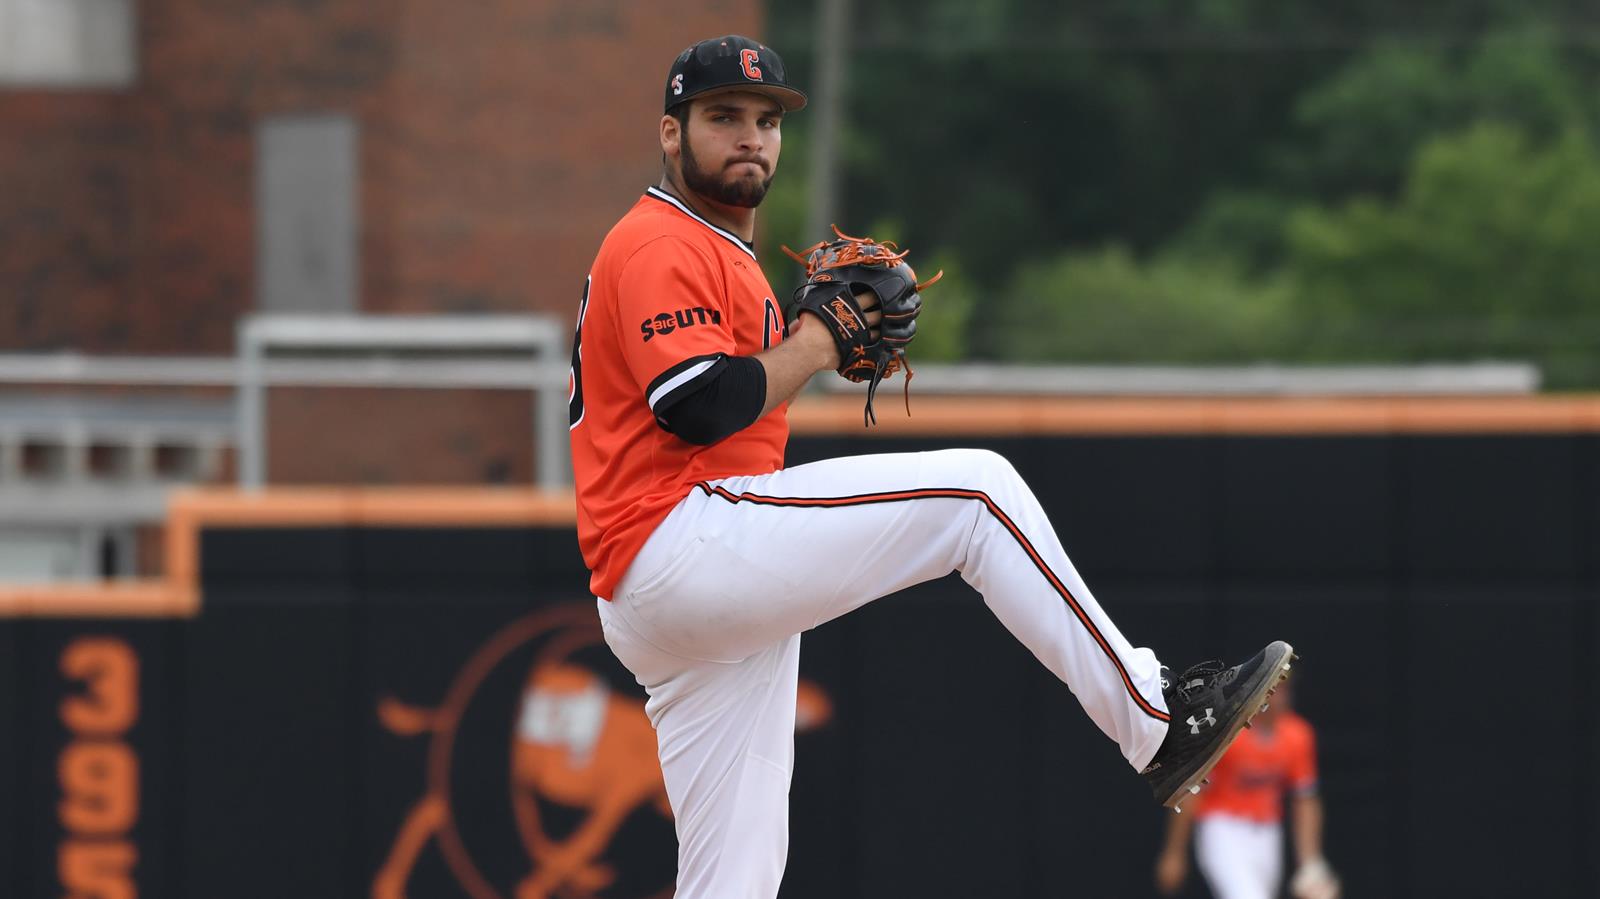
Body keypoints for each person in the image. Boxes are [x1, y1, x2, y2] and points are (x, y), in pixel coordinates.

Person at [568, 33, 1294, 898]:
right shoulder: (660, 240)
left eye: (767, 119)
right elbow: (696, 404)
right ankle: (1156, 718)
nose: (751, 135)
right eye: (722, 116)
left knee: (735, 879)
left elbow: (734, 398)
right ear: (670, 133)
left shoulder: (729, 257)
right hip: (675, 540)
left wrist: (814, 343)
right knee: (977, 493)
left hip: (676, 585)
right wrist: (821, 338)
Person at [1153, 679, 1338, 899]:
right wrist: (1175, 851)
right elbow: (1192, 792)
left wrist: (1310, 860)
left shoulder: (1297, 734)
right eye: (1273, 690)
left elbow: (1305, 798)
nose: (1279, 697)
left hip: (1268, 833)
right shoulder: (1229, 732)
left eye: (1284, 690)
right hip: (1223, 829)